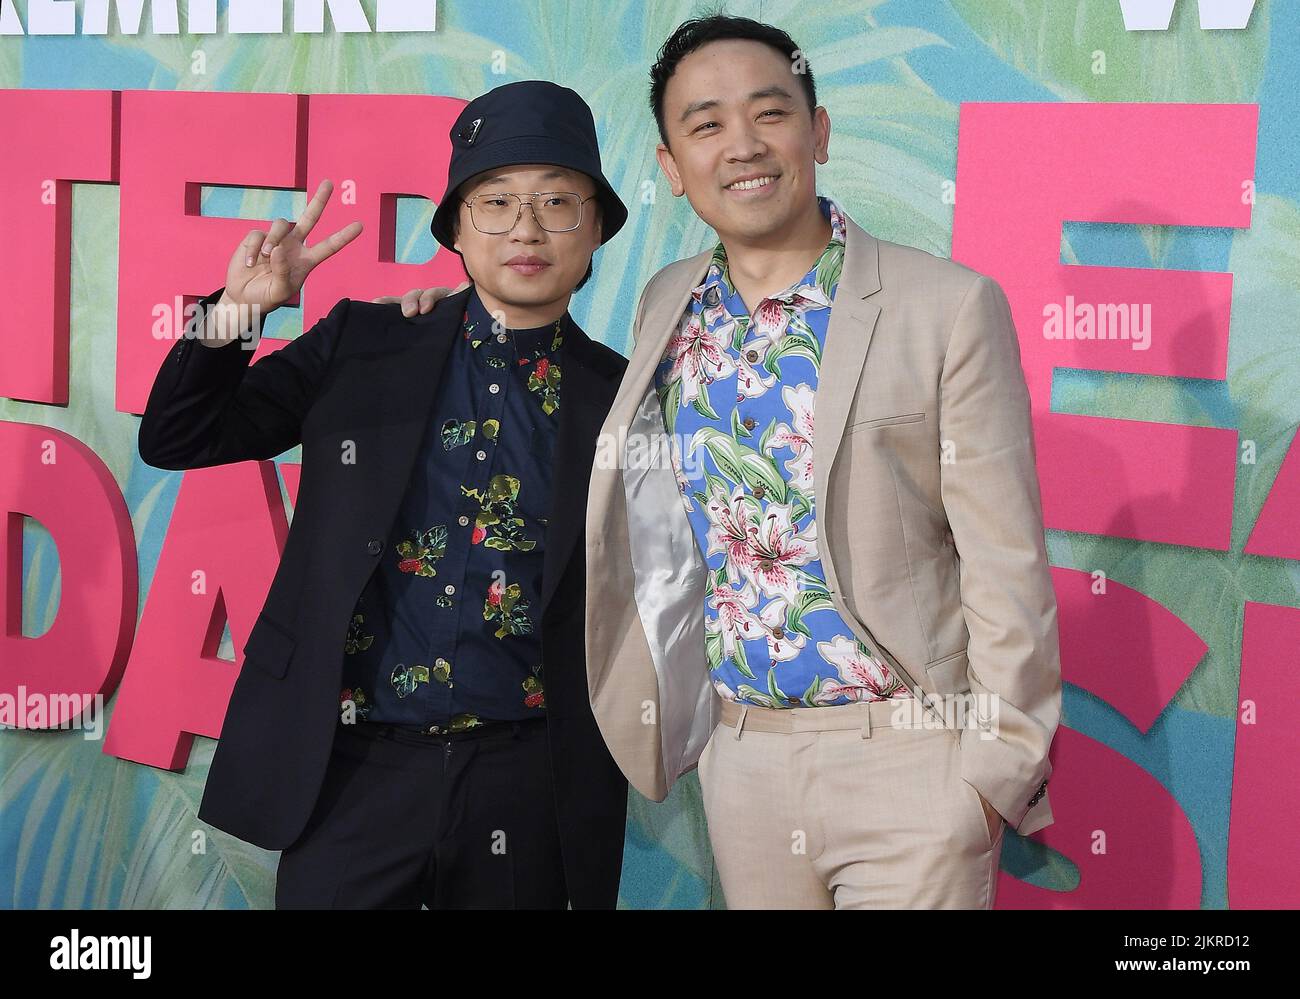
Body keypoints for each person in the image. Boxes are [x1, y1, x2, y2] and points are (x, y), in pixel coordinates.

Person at [397, 16, 1061, 910]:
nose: (742, 145)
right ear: (672, 168)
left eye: (770, 113)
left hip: (911, 761)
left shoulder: (945, 306)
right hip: (741, 763)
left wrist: (989, 774)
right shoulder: (666, 304)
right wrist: (441, 331)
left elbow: (1005, 559)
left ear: (817, 131)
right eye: (705, 124)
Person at [138, 80, 631, 909]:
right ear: (456, 229)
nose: (526, 227)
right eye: (496, 201)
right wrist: (233, 314)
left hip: (527, 774)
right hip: (353, 769)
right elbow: (177, 435)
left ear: (595, 228)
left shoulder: (625, 396)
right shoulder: (363, 344)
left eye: (557, 201)